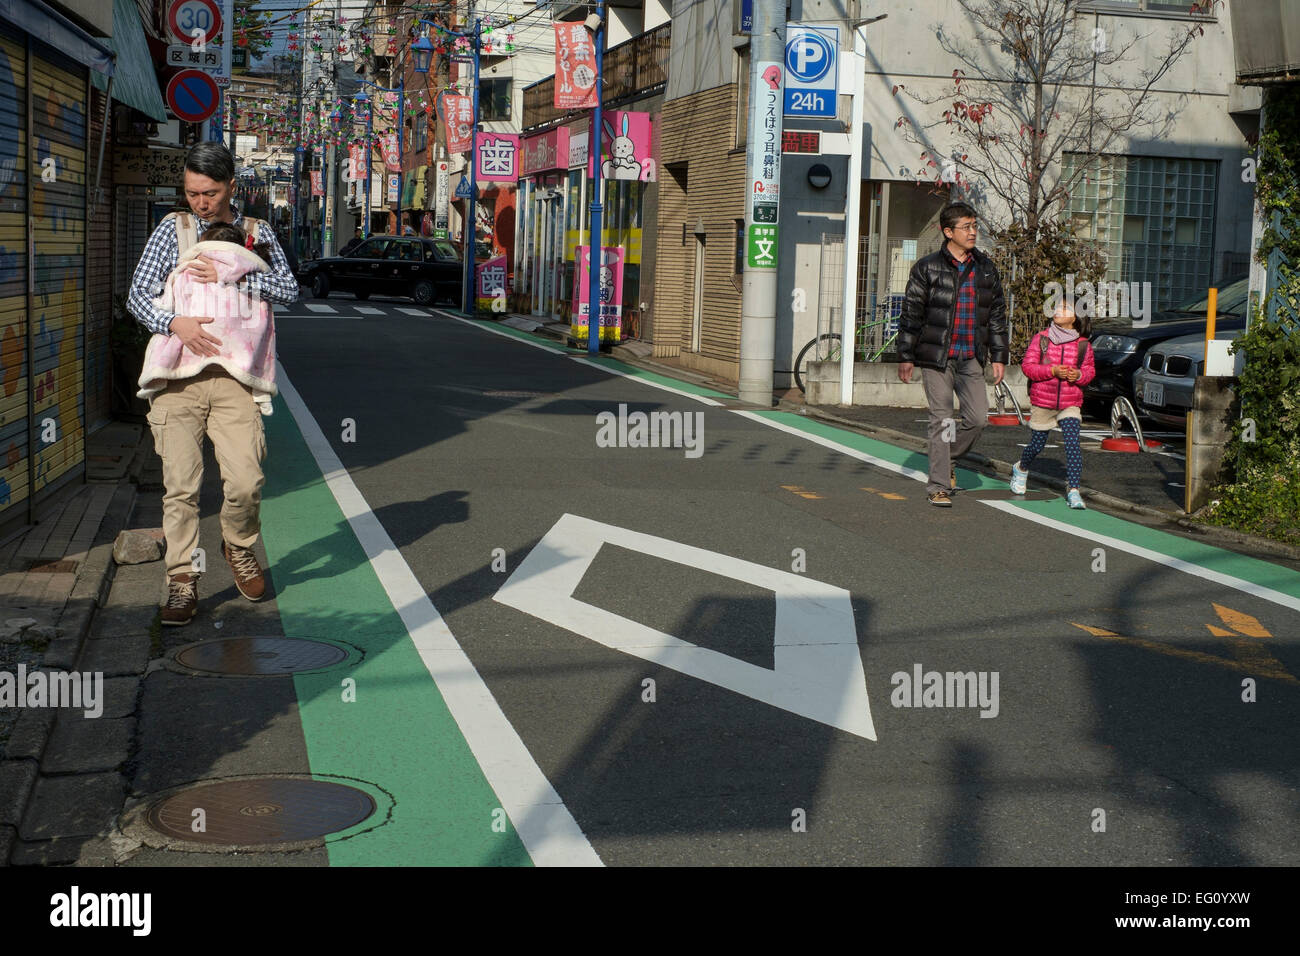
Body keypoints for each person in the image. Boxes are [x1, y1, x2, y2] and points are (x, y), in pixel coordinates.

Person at [127, 142, 299, 626]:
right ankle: (181, 581)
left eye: (210, 192)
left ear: (230, 186)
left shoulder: (254, 233)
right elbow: (139, 294)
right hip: (178, 378)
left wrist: (238, 276)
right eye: (192, 193)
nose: (200, 203)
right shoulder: (172, 229)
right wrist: (174, 323)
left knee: (246, 481)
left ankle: (238, 545)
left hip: (235, 379)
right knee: (180, 488)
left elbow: (287, 289)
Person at [895, 202, 1009, 507]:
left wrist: (998, 356)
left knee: (978, 419)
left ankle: (946, 459)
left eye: (975, 226)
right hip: (937, 356)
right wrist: (905, 355)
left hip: (971, 355)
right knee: (943, 418)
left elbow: (997, 315)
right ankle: (939, 485)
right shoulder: (927, 267)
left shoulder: (986, 268)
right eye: (966, 227)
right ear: (948, 232)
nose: (973, 232)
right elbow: (911, 314)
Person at [1012, 302, 1095, 509]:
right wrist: (1052, 371)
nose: (1058, 310)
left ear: (1076, 317)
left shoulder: (1083, 345)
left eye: (1065, 308)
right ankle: (1021, 469)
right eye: (1057, 307)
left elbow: (1089, 372)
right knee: (1037, 445)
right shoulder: (1041, 339)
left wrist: (1079, 375)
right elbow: (1028, 367)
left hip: (1070, 402)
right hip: (1043, 402)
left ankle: (1074, 490)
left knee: (1073, 444)